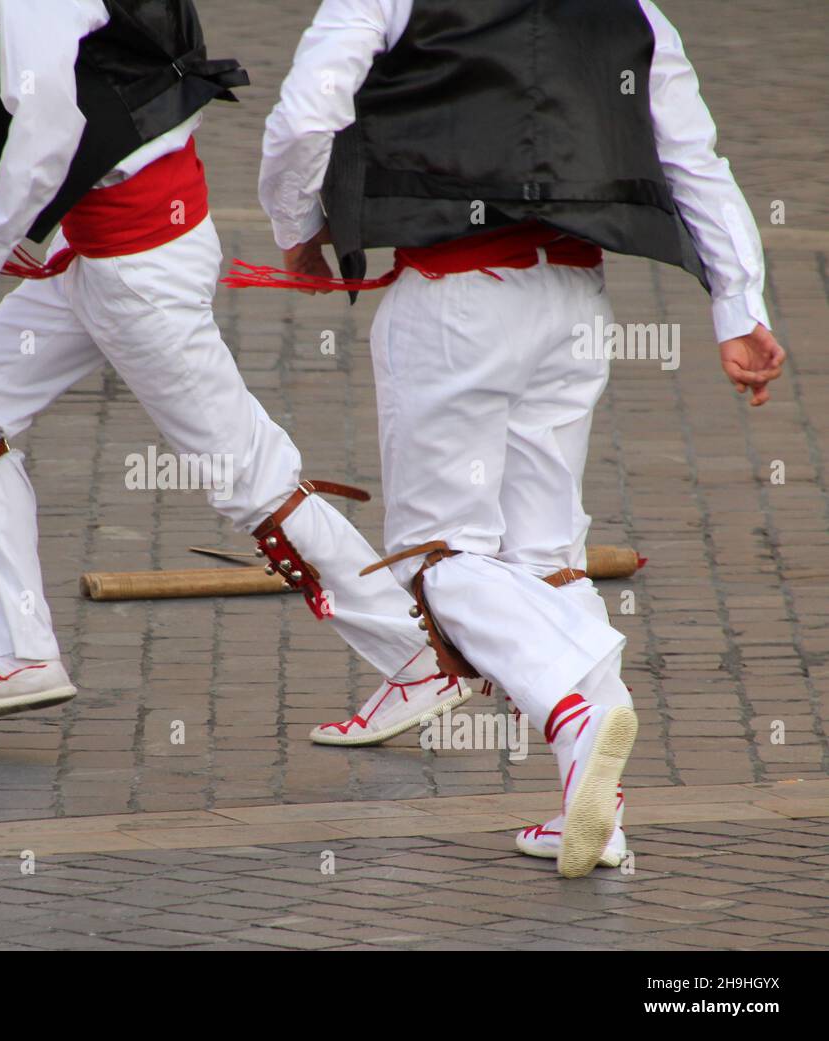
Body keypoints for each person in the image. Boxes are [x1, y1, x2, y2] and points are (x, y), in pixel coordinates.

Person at [251, 0, 784, 876]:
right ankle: (600, 813)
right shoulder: (632, 7)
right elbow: (695, 159)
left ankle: (571, 705)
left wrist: (299, 228)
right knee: (549, 553)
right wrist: (740, 306)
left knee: (436, 555)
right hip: (572, 299)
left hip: (455, 299)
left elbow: (307, 113)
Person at [0, 0, 470, 743]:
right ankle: (19, 649)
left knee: (250, 475)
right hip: (116, 255)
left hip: (135, 269)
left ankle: (418, 655)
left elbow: (49, 125)